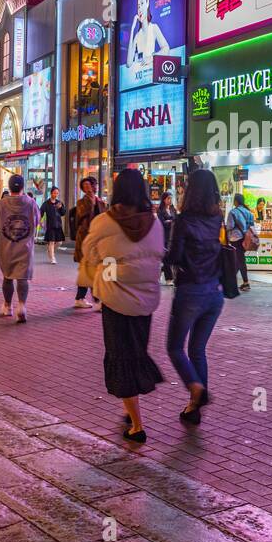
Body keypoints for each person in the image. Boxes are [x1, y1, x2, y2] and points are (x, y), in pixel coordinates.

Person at [83, 169, 164, 443]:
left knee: (121, 357)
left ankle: (137, 425)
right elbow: (156, 261)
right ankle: (130, 410)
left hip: (115, 301)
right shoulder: (155, 222)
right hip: (146, 302)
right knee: (135, 352)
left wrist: (109, 273)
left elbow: (90, 255)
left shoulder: (104, 221)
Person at [163, 168, 225, 426]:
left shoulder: (185, 219)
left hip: (190, 292)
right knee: (198, 350)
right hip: (215, 293)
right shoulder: (217, 216)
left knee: (175, 347)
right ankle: (194, 409)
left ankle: (194, 388)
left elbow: (175, 257)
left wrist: (160, 252)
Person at [0, 174, 40, 323]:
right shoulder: (31, 203)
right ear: (23, 187)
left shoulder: (1, 203)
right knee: (22, 277)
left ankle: (7, 306)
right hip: (25, 246)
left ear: (9, 186)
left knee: (7, 276)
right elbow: (37, 221)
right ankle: (22, 306)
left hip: (6, 246)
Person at [72, 176, 106, 309]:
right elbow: (82, 215)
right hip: (85, 240)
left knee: (89, 271)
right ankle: (96, 300)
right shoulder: (81, 202)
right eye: (84, 186)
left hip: (97, 240)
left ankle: (81, 298)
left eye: (90, 185)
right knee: (90, 270)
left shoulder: (101, 202)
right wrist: (91, 202)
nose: (88, 188)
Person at [226, 194, 255, 292]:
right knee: (238, 259)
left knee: (240, 260)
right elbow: (252, 226)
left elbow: (230, 226)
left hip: (236, 238)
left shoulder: (233, 212)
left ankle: (246, 282)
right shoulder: (249, 212)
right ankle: (230, 281)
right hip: (246, 239)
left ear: (236, 201)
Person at [157, 191, 177, 284]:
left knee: (166, 258)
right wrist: (169, 221)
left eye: (171, 198)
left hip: (172, 236)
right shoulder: (160, 210)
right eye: (168, 198)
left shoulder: (173, 209)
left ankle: (159, 272)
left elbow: (176, 219)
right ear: (164, 199)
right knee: (166, 257)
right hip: (163, 236)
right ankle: (169, 278)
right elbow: (161, 222)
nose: (170, 200)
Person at [41, 186, 65, 264]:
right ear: (51, 193)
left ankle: (50, 250)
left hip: (58, 225)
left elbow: (63, 213)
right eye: (54, 193)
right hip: (50, 225)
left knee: (59, 242)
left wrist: (61, 208)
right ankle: (52, 258)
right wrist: (40, 221)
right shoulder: (46, 203)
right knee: (51, 242)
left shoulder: (59, 203)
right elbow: (40, 212)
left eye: (57, 193)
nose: (56, 194)